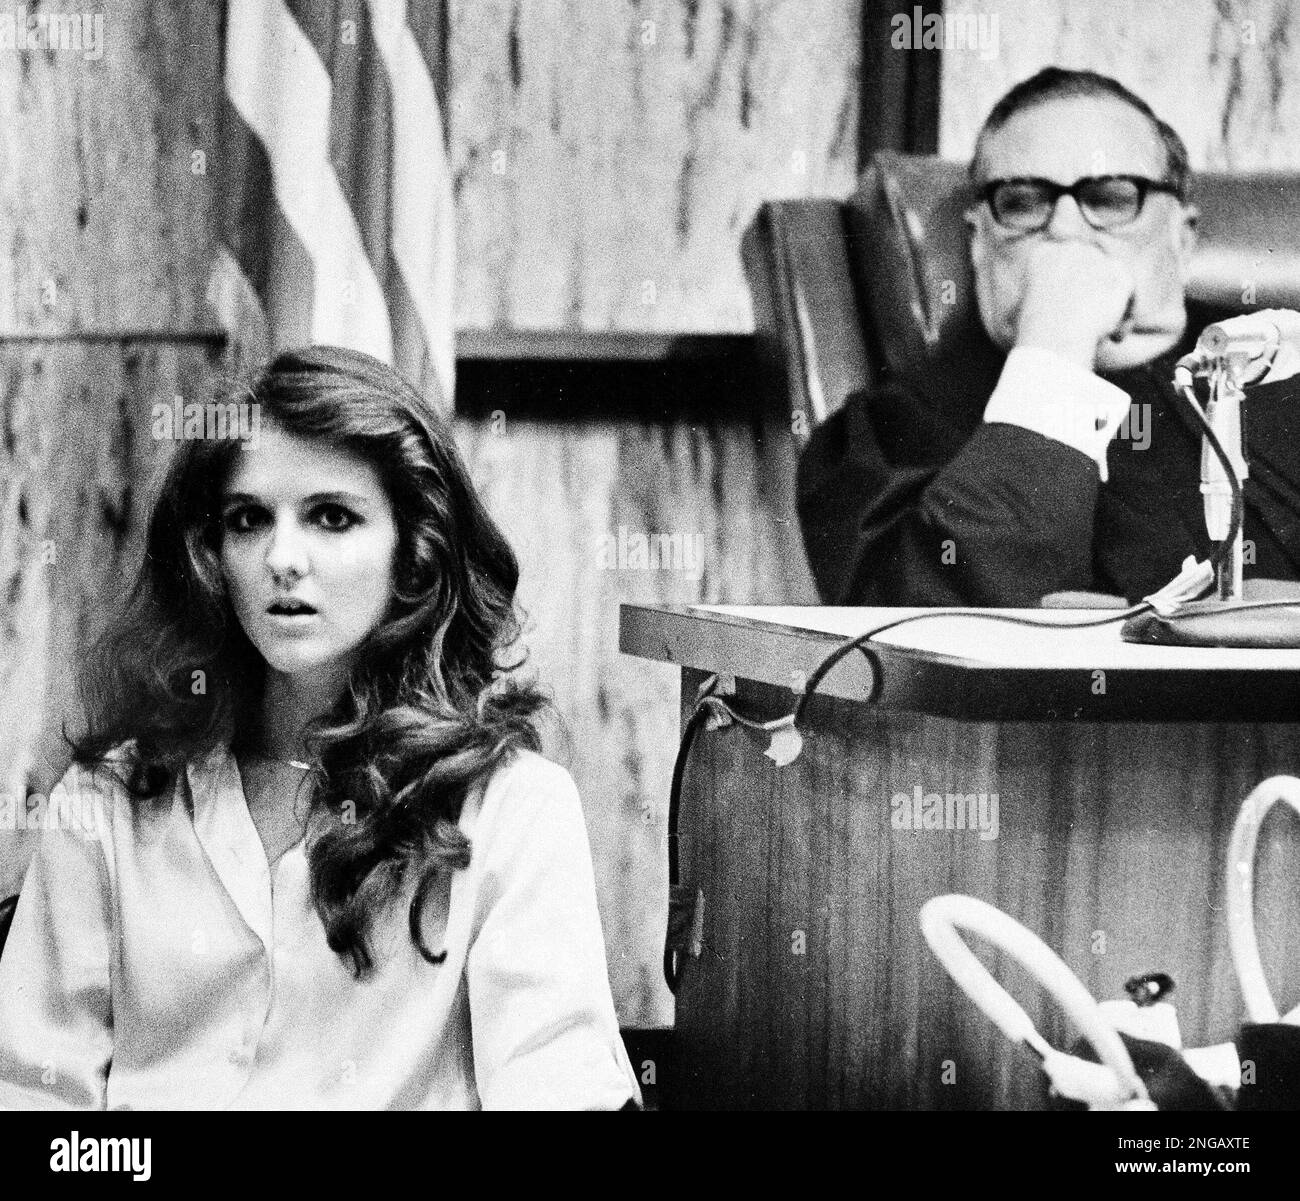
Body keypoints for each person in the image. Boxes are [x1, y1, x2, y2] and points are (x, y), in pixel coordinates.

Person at [0, 346, 640, 1110]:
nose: (282, 557)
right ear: (211, 552)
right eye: (248, 519)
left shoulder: (510, 811)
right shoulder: (107, 802)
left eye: (331, 517)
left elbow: (561, 1090)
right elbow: (36, 1093)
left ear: (414, 550)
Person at [797, 67, 1300, 606]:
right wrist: (1055, 345)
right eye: (1023, 202)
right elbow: (926, 655)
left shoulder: (1285, 359)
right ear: (977, 241)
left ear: (1182, 236)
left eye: (1109, 197)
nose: (1064, 229)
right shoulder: (880, 430)